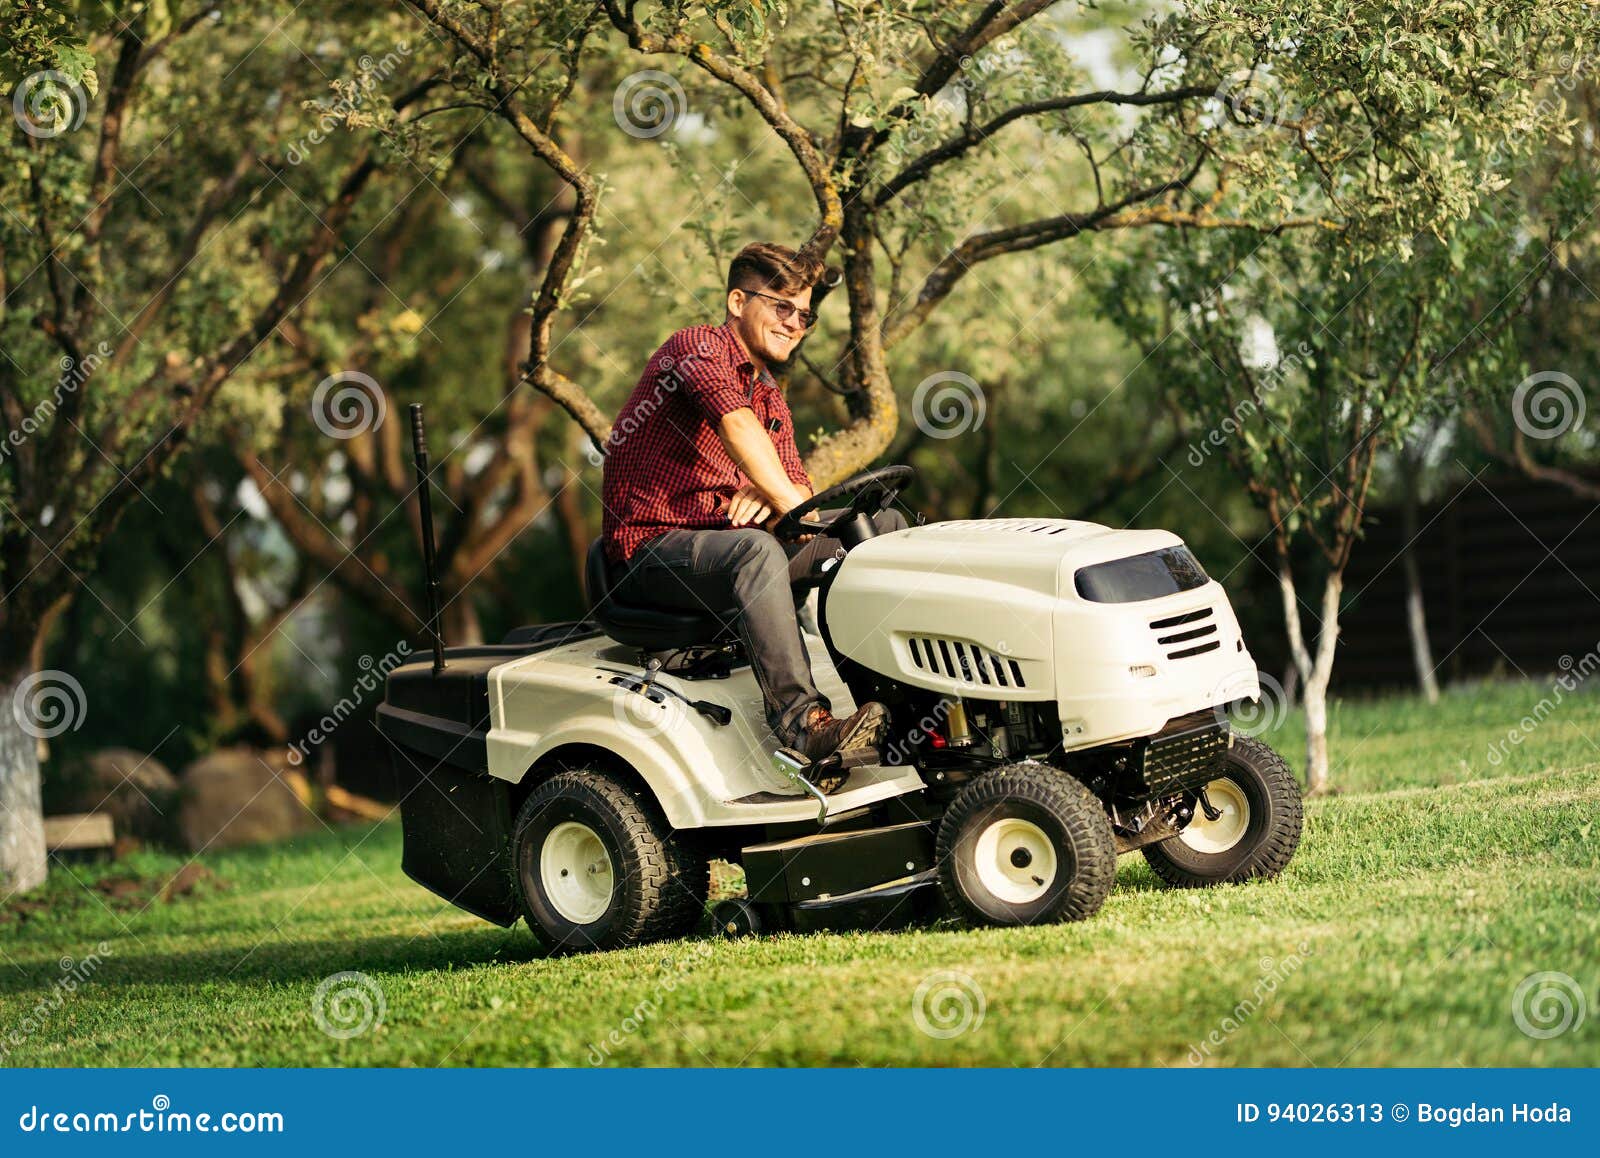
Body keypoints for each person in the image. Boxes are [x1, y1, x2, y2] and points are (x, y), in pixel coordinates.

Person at [600, 242, 904, 781]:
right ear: (738, 301)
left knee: (881, 529)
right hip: (650, 554)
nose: (794, 324)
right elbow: (736, 426)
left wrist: (773, 493)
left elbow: (797, 485)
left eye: (804, 315)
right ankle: (804, 725)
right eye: (782, 306)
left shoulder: (768, 396)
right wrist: (783, 497)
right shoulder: (695, 348)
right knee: (756, 549)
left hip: (724, 550)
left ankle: (905, 702)